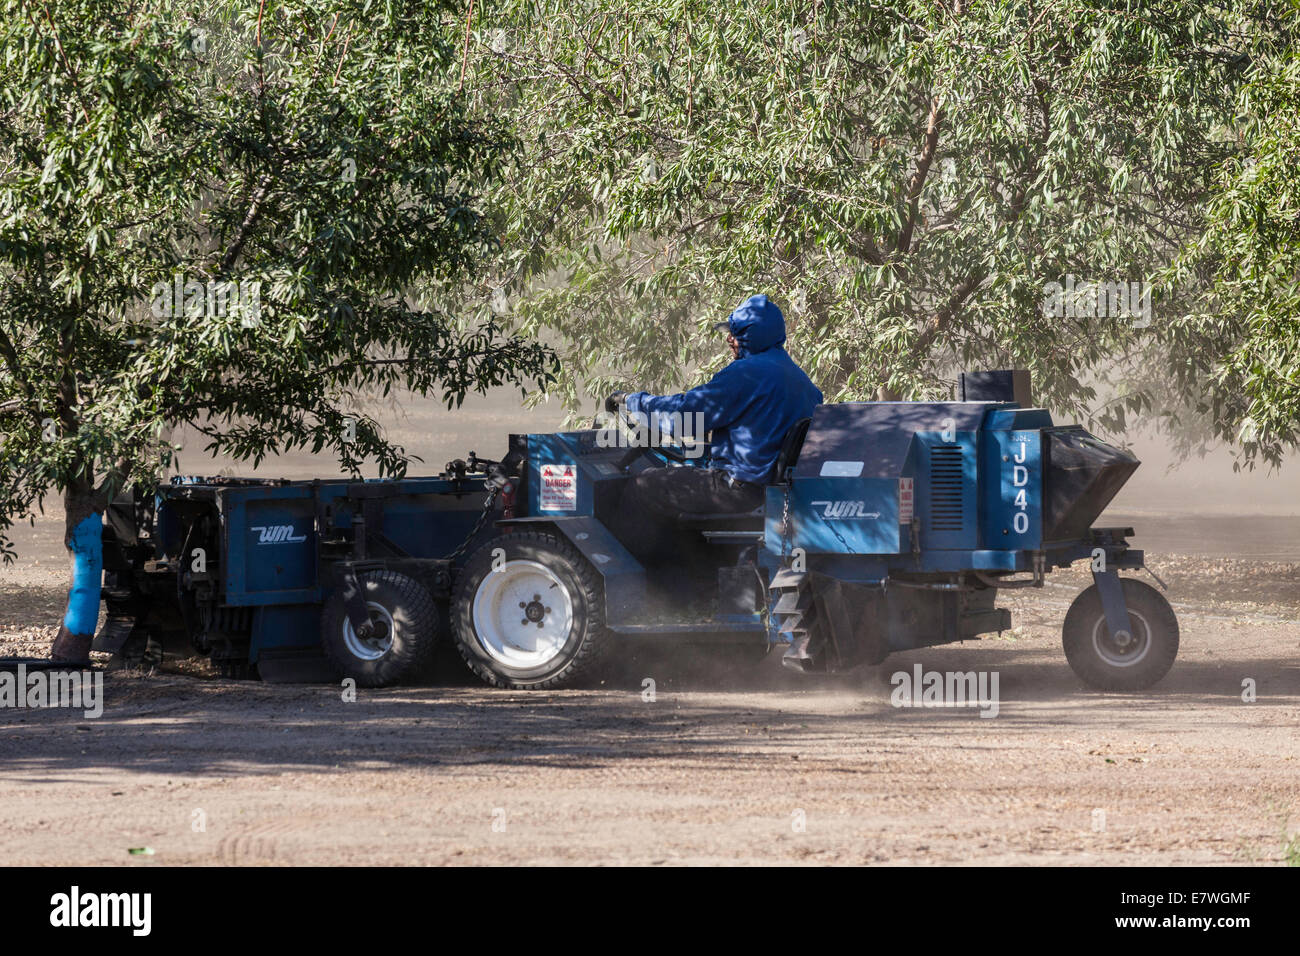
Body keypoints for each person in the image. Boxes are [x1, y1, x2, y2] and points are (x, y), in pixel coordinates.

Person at [606, 294, 822, 561]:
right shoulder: (800, 380)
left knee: (643, 484)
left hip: (739, 492)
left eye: (735, 333)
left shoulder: (746, 374)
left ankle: (636, 584)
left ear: (753, 336)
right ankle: (689, 577)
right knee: (681, 478)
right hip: (774, 493)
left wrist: (633, 401)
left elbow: (686, 414)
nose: (729, 340)